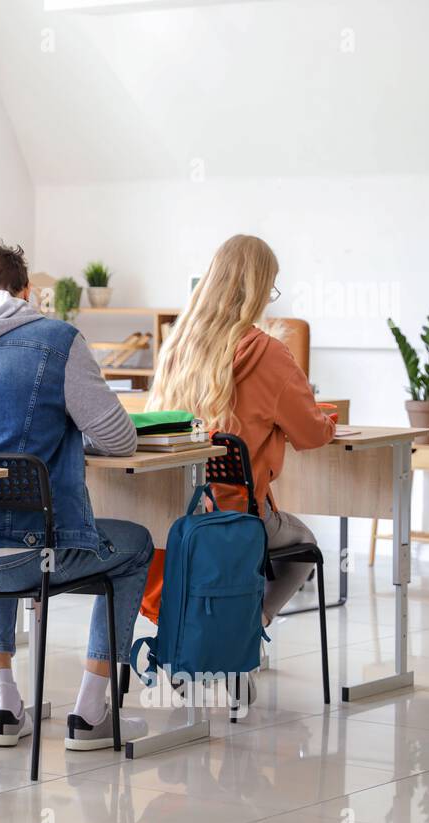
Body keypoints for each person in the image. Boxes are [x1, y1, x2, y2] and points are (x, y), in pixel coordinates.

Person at [0, 239, 153, 750]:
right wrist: (70, 428)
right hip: (36, 554)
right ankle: (91, 714)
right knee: (136, 543)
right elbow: (119, 438)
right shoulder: (58, 339)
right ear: (27, 292)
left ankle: (2, 702)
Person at [148, 234, 335, 626]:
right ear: (258, 289)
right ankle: (255, 621)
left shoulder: (177, 347)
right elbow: (312, 435)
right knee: (305, 542)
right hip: (235, 514)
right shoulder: (267, 352)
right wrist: (326, 421)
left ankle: (225, 632)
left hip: (172, 512)